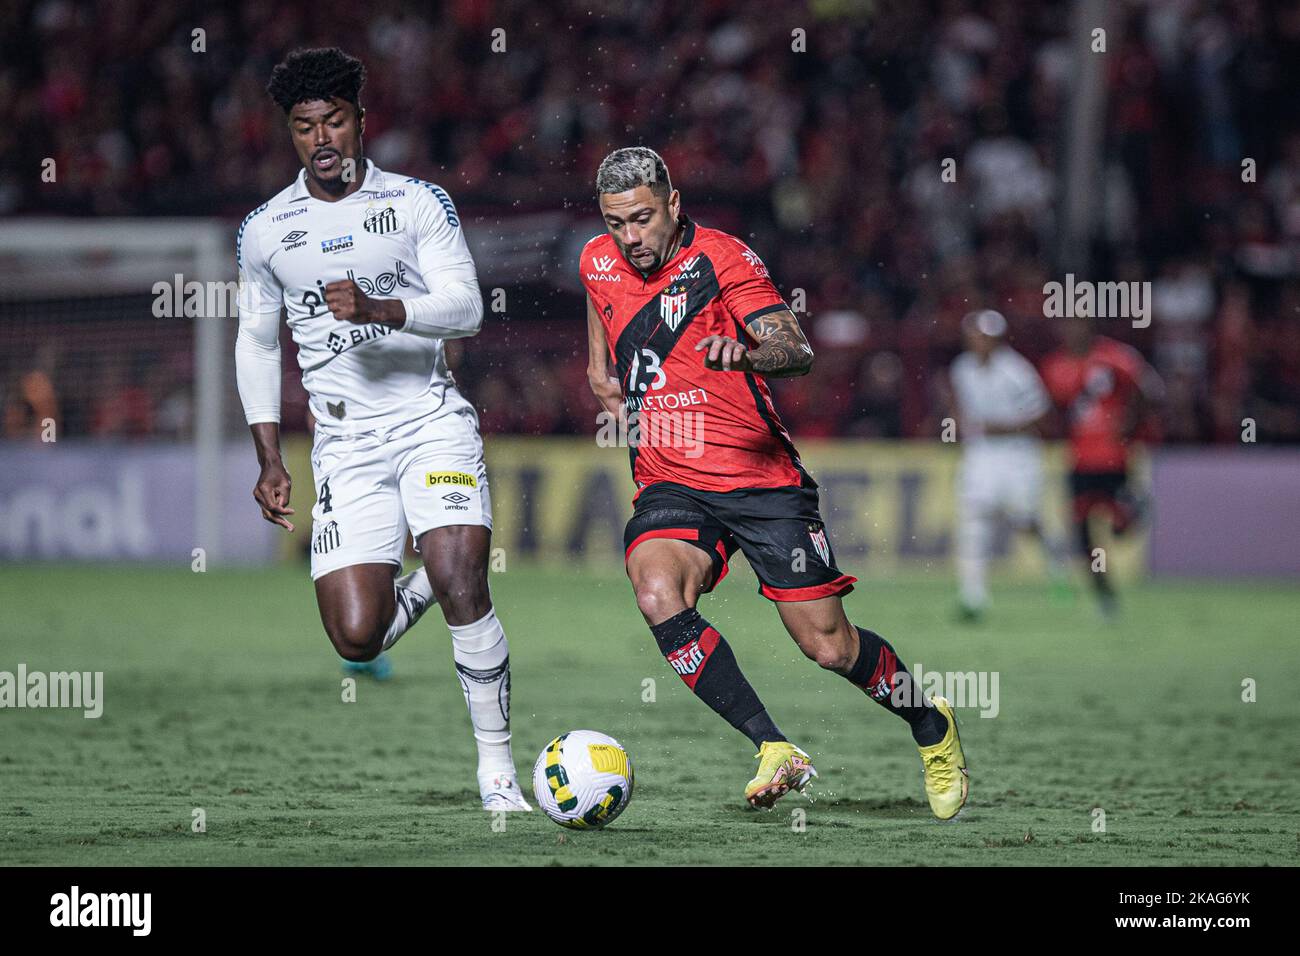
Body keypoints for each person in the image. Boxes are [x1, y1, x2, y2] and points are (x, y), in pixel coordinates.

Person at [582, 146, 968, 817]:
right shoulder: (596, 259)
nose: (631, 238)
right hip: (671, 481)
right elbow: (603, 313)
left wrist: (749, 353)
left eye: (643, 219)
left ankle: (930, 726)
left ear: (674, 204)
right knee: (655, 591)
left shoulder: (724, 260)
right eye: (617, 223)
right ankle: (772, 746)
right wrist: (602, 375)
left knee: (828, 645)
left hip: (761, 482)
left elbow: (798, 350)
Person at [233, 48, 528, 811]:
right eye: (305, 127)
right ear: (291, 134)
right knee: (357, 637)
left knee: (468, 584)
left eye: (335, 120)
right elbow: (258, 343)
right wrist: (269, 453)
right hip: (344, 447)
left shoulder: (417, 202)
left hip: (429, 421)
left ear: (361, 121)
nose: (322, 137)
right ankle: (433, 567)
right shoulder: (266, 231)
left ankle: (497, 772)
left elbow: (468, 307)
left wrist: (381, 308)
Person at [1040, 315, 1162, 618]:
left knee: (1120, 527)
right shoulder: (1055, 366)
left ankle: (1134, 510)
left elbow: (1151, 391)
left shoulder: (1117, 357)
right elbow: (1052, 408)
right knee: (1082, 533)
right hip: (1079, 459)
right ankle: (1104, 594)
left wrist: (1131, 423)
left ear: (1091, 327)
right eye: (1067, 324)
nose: (1073, 330)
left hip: (1113, 456)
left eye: (1079, 324)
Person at [949, 309, 1067, 620]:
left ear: (996, 339)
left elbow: (1042, 415)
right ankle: (973, 597)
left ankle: (1057, 565)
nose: (977, 341)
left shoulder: (1016, 371)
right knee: (974, 521)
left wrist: (1003, 427)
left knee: (1025, 520)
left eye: (983, 337)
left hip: (1018, 454)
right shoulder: (962, 369)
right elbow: (962, 408)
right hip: (981, 454)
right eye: (974, 335)